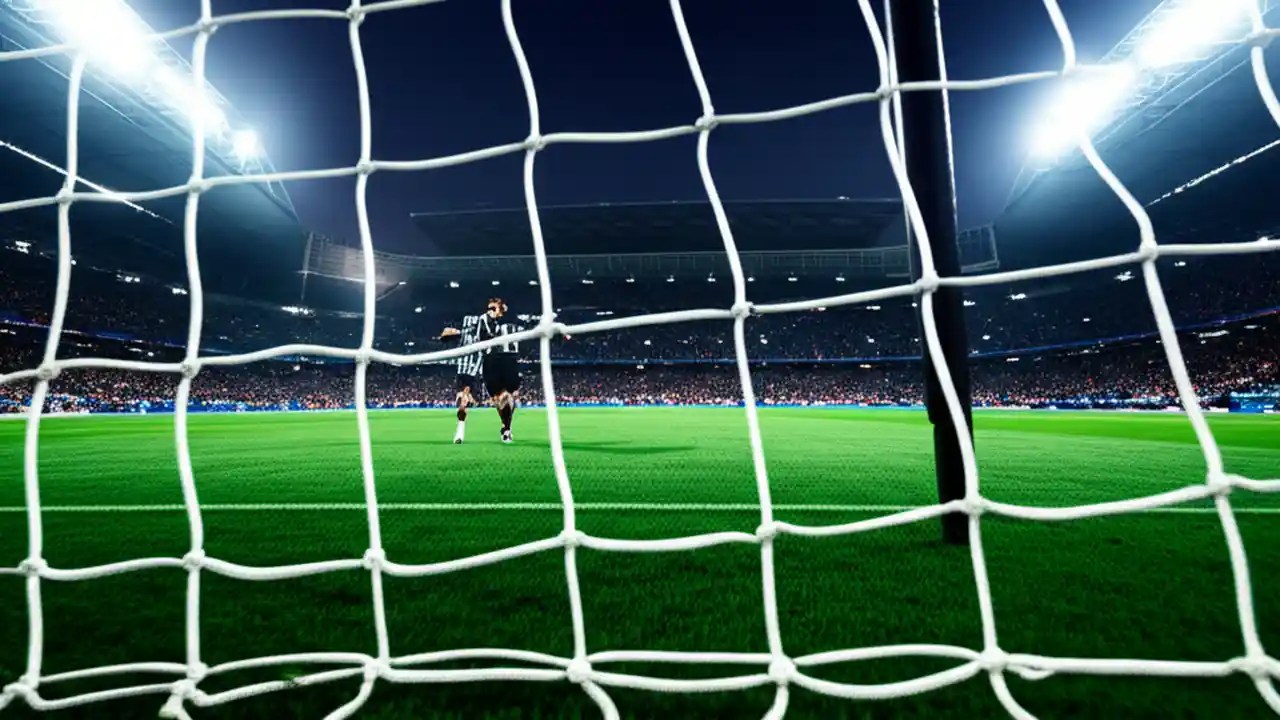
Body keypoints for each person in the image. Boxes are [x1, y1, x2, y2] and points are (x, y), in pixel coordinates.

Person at [441, 297, 523, 443]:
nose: (490, 311)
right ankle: (461, 431)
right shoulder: (479, 322)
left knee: (504, 398)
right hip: (480, 365)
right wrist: (449, 334)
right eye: (489, 308)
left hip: (496, 362)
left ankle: (506, 428)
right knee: (469, 400)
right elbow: (453, 333)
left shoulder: (508, 323)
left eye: (493, 308)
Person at [438, 314, 484, 444]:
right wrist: (451, 332)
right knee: (462, 405)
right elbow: (444, 335)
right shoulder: (463, 335)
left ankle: (460, 431)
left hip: (474, 375)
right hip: (463, 374)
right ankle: (459, 432)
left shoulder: (484, 337)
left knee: (465, 404)